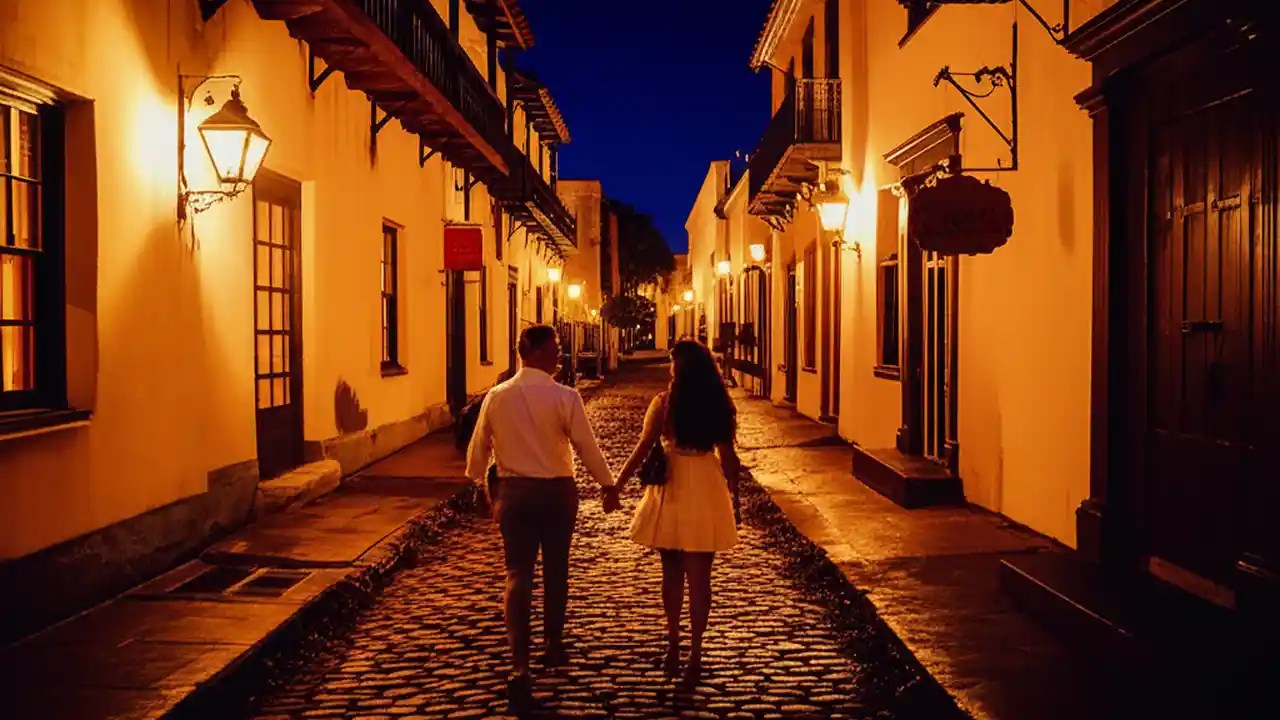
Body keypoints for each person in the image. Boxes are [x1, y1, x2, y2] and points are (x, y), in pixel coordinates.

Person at [465, 325, 621, 708]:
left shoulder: (497, 397)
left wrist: (478, 484)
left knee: (517, 572)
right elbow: (585, 444)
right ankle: (553, 643)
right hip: (556, 491)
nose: (558, 354)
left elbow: (478, 447)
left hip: (516, 493)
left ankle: (520, 665)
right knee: (556, 568)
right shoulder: (564, 397)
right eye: (552, 349)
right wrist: (607, 484)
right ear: (529, 351)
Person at [614, 339, 740, 687]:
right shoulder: (719, 403)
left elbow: (642, 448)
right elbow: (729, 458)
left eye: (672, 364)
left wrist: (618, 486)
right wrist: (735, 494)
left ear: (679, 368)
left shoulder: (664, 404)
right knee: (701, 580)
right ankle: (695, 654)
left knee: (671, 575)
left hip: (672, 485)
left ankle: (673, 642)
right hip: (705, 481)